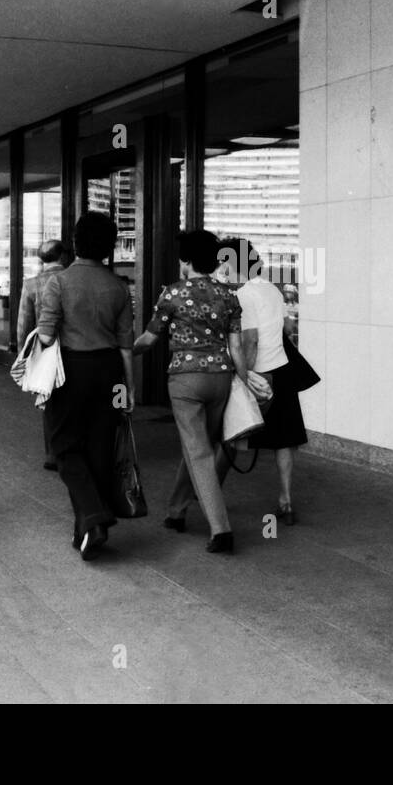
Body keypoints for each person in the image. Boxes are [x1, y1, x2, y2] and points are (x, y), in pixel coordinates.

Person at [133, 229, 266, 555]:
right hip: (220, 380)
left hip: (185, 382)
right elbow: (236, 347)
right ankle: (176, 512)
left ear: (187, 260)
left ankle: (221, 530)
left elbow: (149, 340)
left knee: (199, 452)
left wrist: (122, 352)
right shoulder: (228, 296)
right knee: (199, 449)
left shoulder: (173, 294)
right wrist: (245, 381)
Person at [37, 212, 135, 561]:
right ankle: (85, 529)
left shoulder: (58, 283)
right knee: (99, 448)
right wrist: (129, 390)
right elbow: (126, 345)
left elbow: (47, 335)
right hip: (110, 372)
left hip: (70, 370)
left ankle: (94, 516)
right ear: (109, 248)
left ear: (75, 243)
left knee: (64, 447)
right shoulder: (119, 287)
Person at [219, 238, 307, 523]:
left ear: (235, 263)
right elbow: (289, 327)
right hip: (282, 371)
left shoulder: (244, 295)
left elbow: (251, 340)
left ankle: (210, 490)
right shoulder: (272, 289)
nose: (223, 268)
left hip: (261, 374)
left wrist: (245, 377)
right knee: (285, 439)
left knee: (235, 430)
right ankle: (286, 500)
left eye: (225, 262)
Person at [15, 239, 66, 348]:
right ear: (62, 256)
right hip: (71, 348)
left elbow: (24, 325)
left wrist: (22, 354)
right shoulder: (72, 279)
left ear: (41, 258)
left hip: (43, 348)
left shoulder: (30, 284)